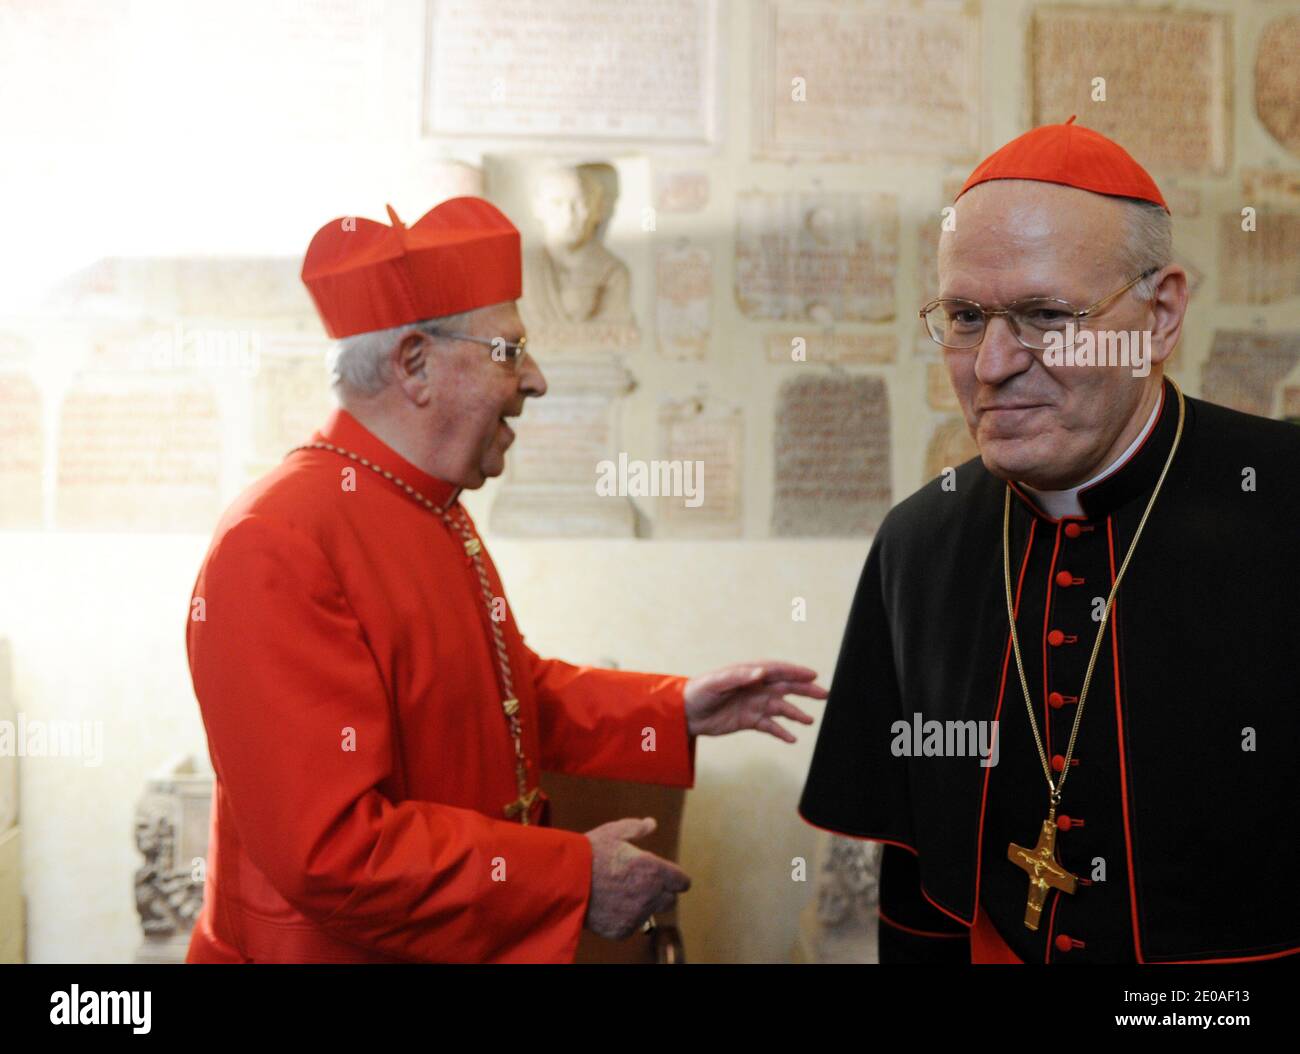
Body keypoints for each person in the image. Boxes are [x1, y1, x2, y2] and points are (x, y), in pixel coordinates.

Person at [185, 196, 823, 963]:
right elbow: (331, 851)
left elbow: (509, 700)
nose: (537, 381)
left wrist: (674, 710)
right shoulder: (277, 540)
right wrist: (571, 876)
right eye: (509, 352)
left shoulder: (431, 507)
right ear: (415, 363)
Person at [800, 119, 1300, 964]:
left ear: (1162, 312)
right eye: (964, 316)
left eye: (1045, 315)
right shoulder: (916, 547)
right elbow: (916, 890)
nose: (992, 363)